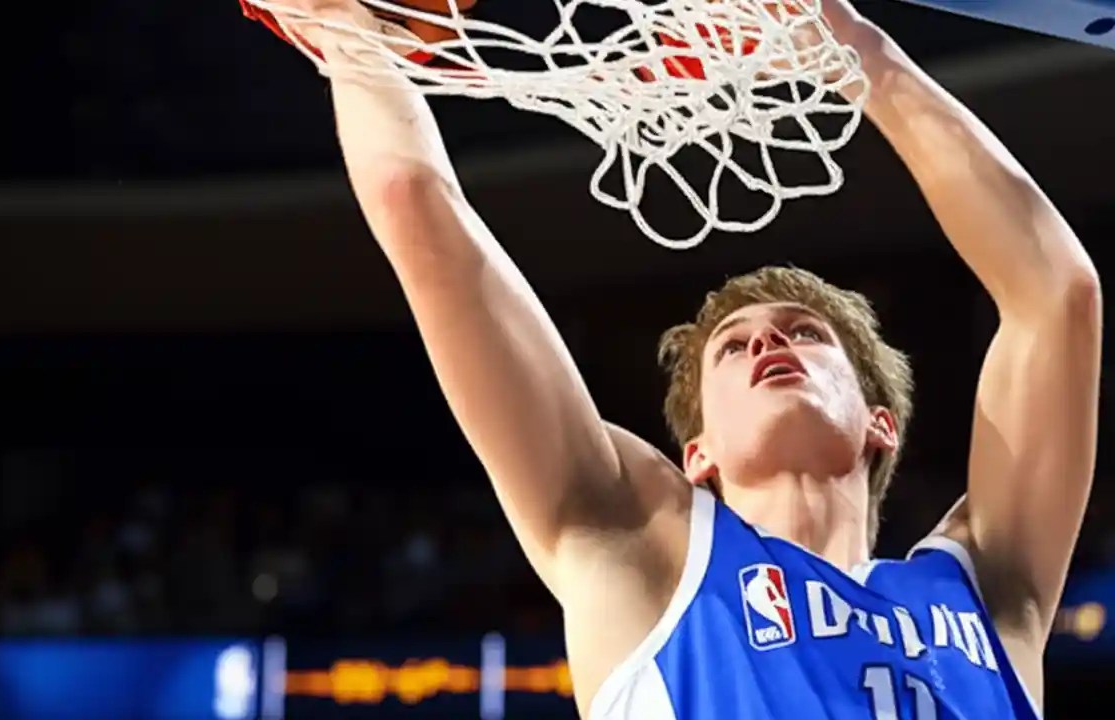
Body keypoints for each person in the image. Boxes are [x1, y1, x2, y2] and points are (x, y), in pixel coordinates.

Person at [257, 0, 1102, 717]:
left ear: (881, 422)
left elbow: (1057, 296)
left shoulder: (989, 591)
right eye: (736, 348)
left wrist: (853, 50)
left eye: (806, 334)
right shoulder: (642, 544)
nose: (769, 341)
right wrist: (345, 36)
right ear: (695, 455)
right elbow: (422, 216)